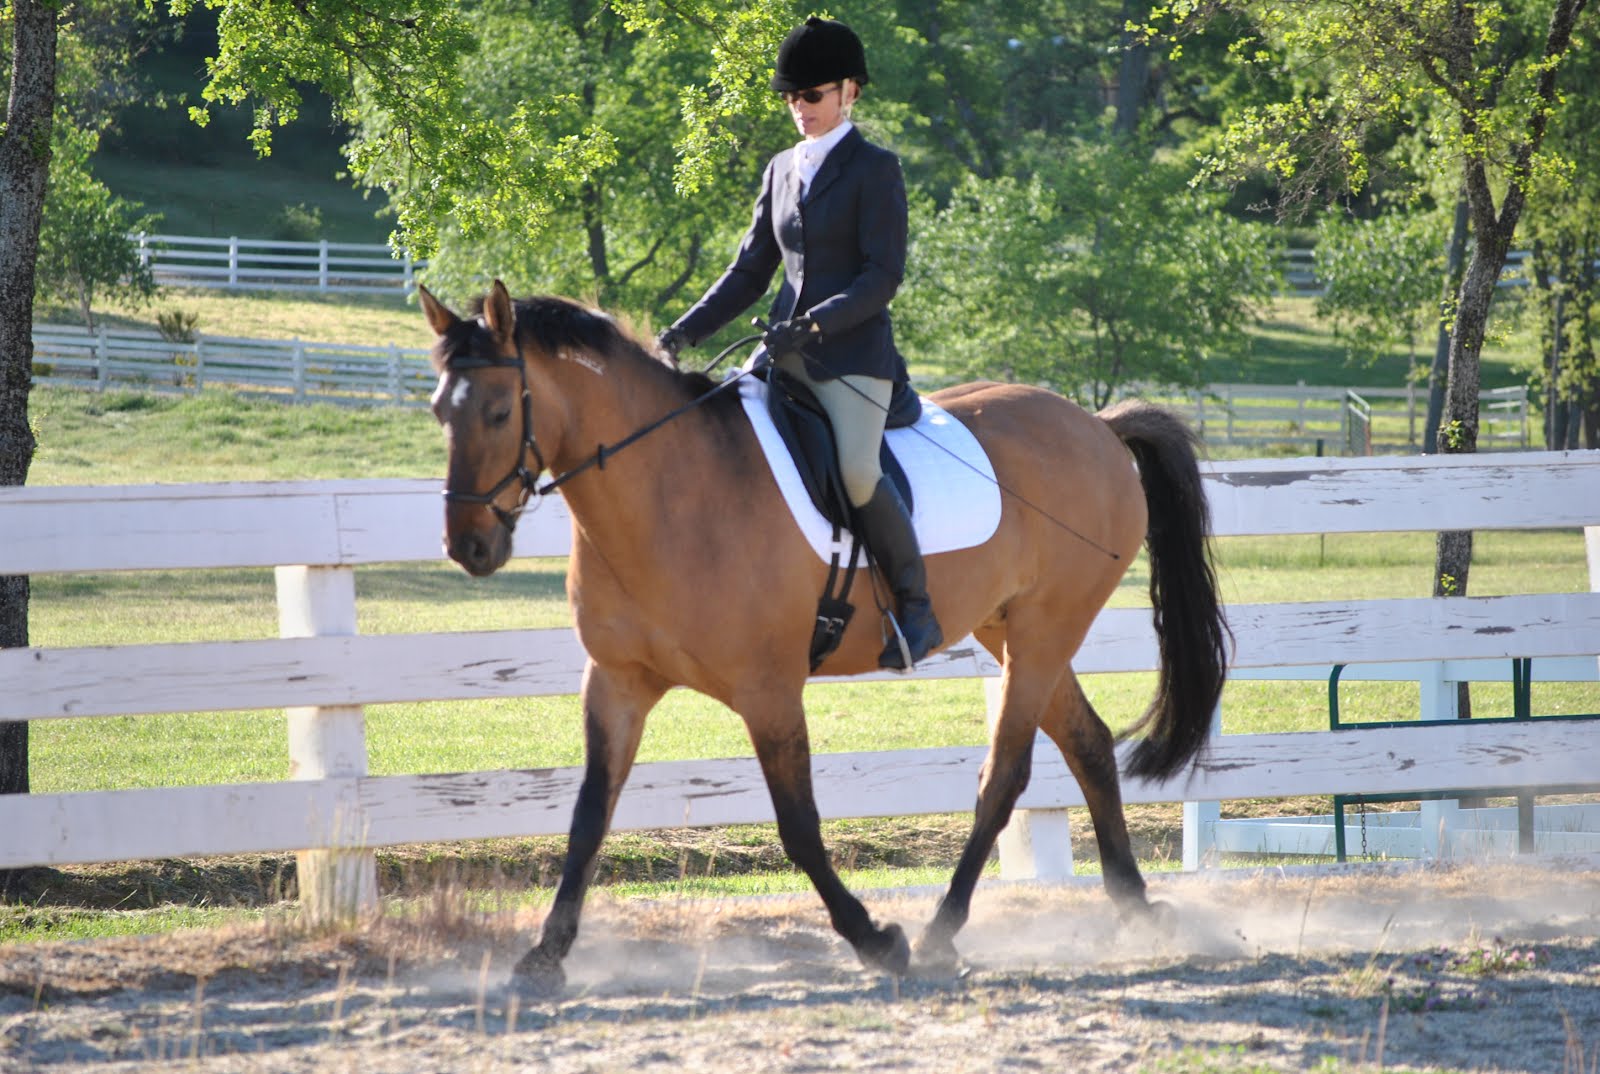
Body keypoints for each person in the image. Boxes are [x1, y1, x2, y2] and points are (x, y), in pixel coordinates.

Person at [655, 16, 941, 671]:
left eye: (811, 96)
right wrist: (683, 331)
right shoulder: (780, 169)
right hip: (779, 355)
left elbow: (882, 276)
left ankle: (917, 609)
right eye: (790, 98)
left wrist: (817, 323)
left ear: (849, 92)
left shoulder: (876, 169)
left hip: (851, 360)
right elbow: (751, 271)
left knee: (859, 473)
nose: (799, 109)